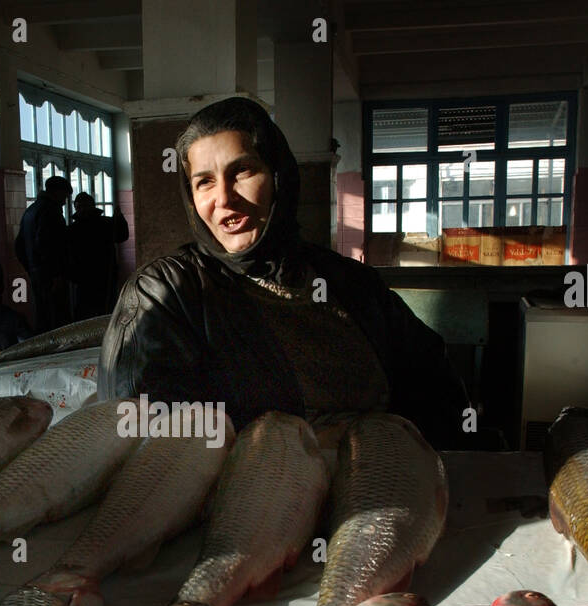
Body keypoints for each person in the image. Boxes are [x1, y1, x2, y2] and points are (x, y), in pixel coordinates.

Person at [97, 97, 472, 448]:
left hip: (378, 484)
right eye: (204, 181)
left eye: (242, 170)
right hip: (250, 507)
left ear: (279, 177)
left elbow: (437, 391)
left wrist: (394, 449)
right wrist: (306, 447)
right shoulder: (165, 293)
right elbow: (144, 438)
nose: (224, 198)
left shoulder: (348, 282)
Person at [15, 175, 72, 333]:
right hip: (51, 275)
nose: (64, 201)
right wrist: (56, 274)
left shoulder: (30, 211)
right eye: (65, 196)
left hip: (37, 274)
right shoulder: (50, 211)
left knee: (42, 315)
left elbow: (19, 246)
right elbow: (48, 246)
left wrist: (31, 269)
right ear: (57, 193)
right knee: (57, 320)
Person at [67, 192, 129, 319]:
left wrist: (119, 219)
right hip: (91, 276)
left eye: (85, 206)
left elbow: (121, 236)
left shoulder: (74, 229)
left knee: (96, 310)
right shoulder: (75, 230)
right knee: (96, 310)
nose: (83, 209)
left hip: (97, 275)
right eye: (80, 206)